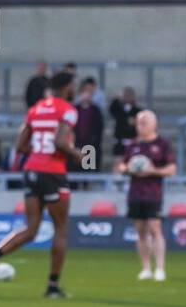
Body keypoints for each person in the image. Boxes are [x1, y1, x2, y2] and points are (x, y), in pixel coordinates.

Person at [0, 72, 82, 297]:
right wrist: (76, 154)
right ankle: (52, 286)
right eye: (73, 86)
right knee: (61, 229)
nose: (75, 90)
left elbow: (20, 146)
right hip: (53, 172)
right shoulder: (68, 110)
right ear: (66, 87)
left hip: (32, 170)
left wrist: (39, 153)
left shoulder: (36, 109)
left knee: (31, 229)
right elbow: (60, 141)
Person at [119, 110, 177, 282]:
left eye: (144, 123)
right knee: (140, 231)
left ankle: (160, 268)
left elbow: (171, 169)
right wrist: (127, 169)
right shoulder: (132, 145)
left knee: (155, 228)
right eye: (138, 123)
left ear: (154, 124)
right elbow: (122, 166)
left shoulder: (162, 144)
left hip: (153, 194)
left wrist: (153, 170)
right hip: (135, 194)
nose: (140, 126)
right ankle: (145, 268)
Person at [72, 78, 106, 176]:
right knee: (75, 171)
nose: (87, 94)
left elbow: (99, 129)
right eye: (85, 91)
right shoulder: (75, 109)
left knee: (88, 172)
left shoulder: (96, 111)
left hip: (90, 146)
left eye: (89, 92)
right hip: (76, 146)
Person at [108, 86, 141, 155]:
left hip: (132, 142)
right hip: (119, 141)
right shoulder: (118, 109)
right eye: (126, 95)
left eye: (129, 95)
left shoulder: (137, 111)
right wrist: (117, 98)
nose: (127, 97)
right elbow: (111, 109)